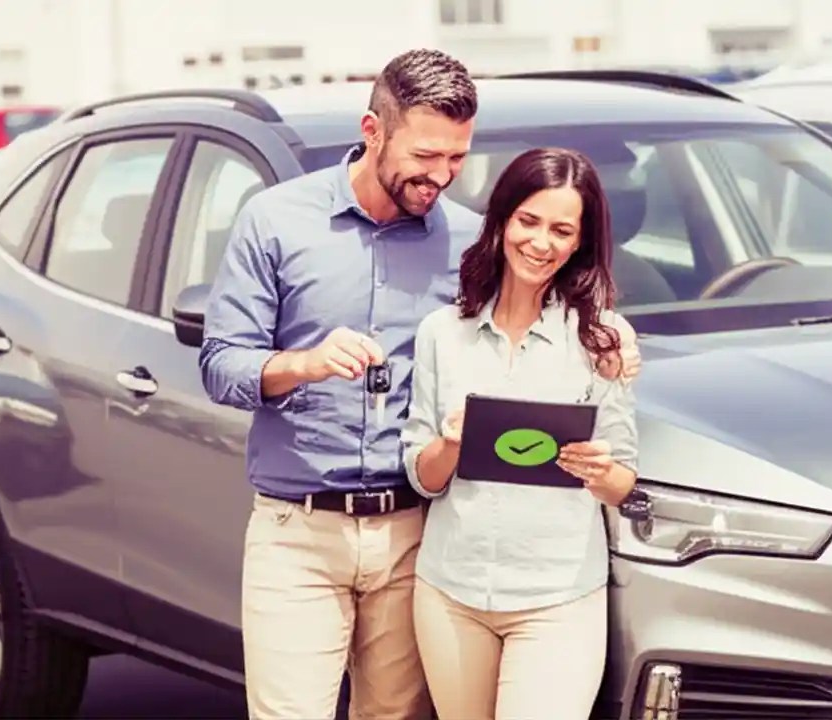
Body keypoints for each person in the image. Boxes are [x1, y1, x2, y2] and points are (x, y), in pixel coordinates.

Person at [199, 50, 640, 718]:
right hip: (299, 531)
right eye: (427, 155)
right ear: (373, 130)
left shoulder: (468, 242)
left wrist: (619, 335)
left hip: (416, 531)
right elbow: (221, 365)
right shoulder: (274, 220)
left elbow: (547, 301)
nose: (441, 176)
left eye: (457, 159)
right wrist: (305, 362)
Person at [401, 146, 641, 720]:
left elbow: (624, 481)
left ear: (580, 241)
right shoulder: (442, 332)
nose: (540, 243)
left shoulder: (603, 339)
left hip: (556, 599)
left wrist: (601, 472)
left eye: (561, 230)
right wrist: (453, 447)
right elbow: (421, 473)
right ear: (503, 220)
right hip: (451, 593)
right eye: (528, 221)